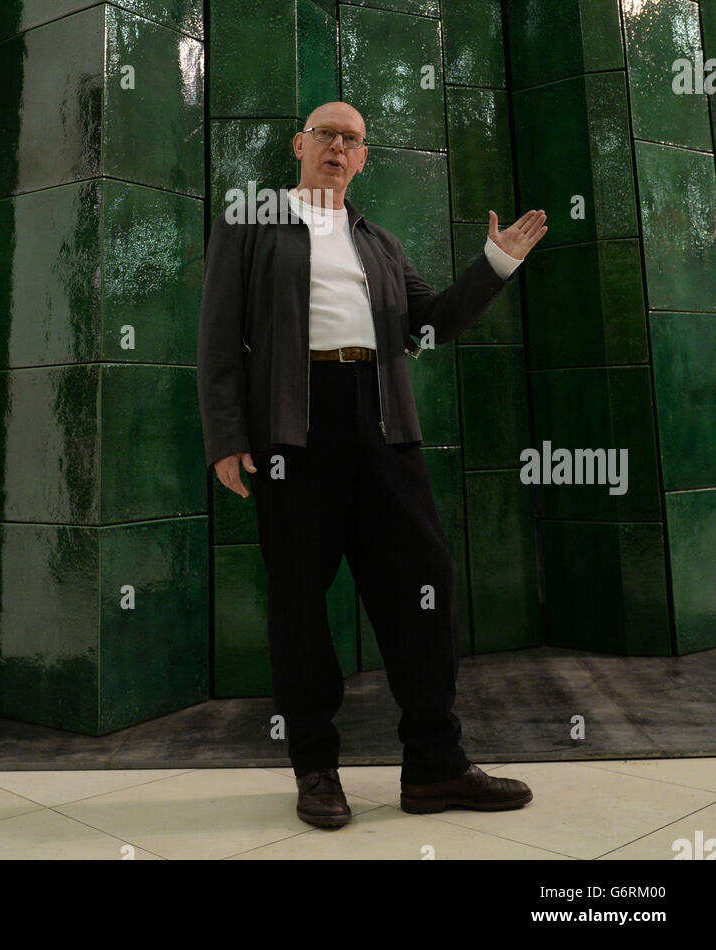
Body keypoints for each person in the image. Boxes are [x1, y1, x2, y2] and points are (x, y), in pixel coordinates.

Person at [197, 100, 547, 829]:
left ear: (362, 159)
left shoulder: (380, 243)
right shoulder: (251, 222)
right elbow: (219, 335)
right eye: (325, 133)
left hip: (383, 421)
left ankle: (434, 767)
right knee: (298, 598)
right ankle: (316, 768)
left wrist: (496, 263)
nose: (337, 146)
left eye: (351, 140)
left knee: (425, 580)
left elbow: (429, 324)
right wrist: (227, 436)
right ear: (300, 144)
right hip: (293, 425)